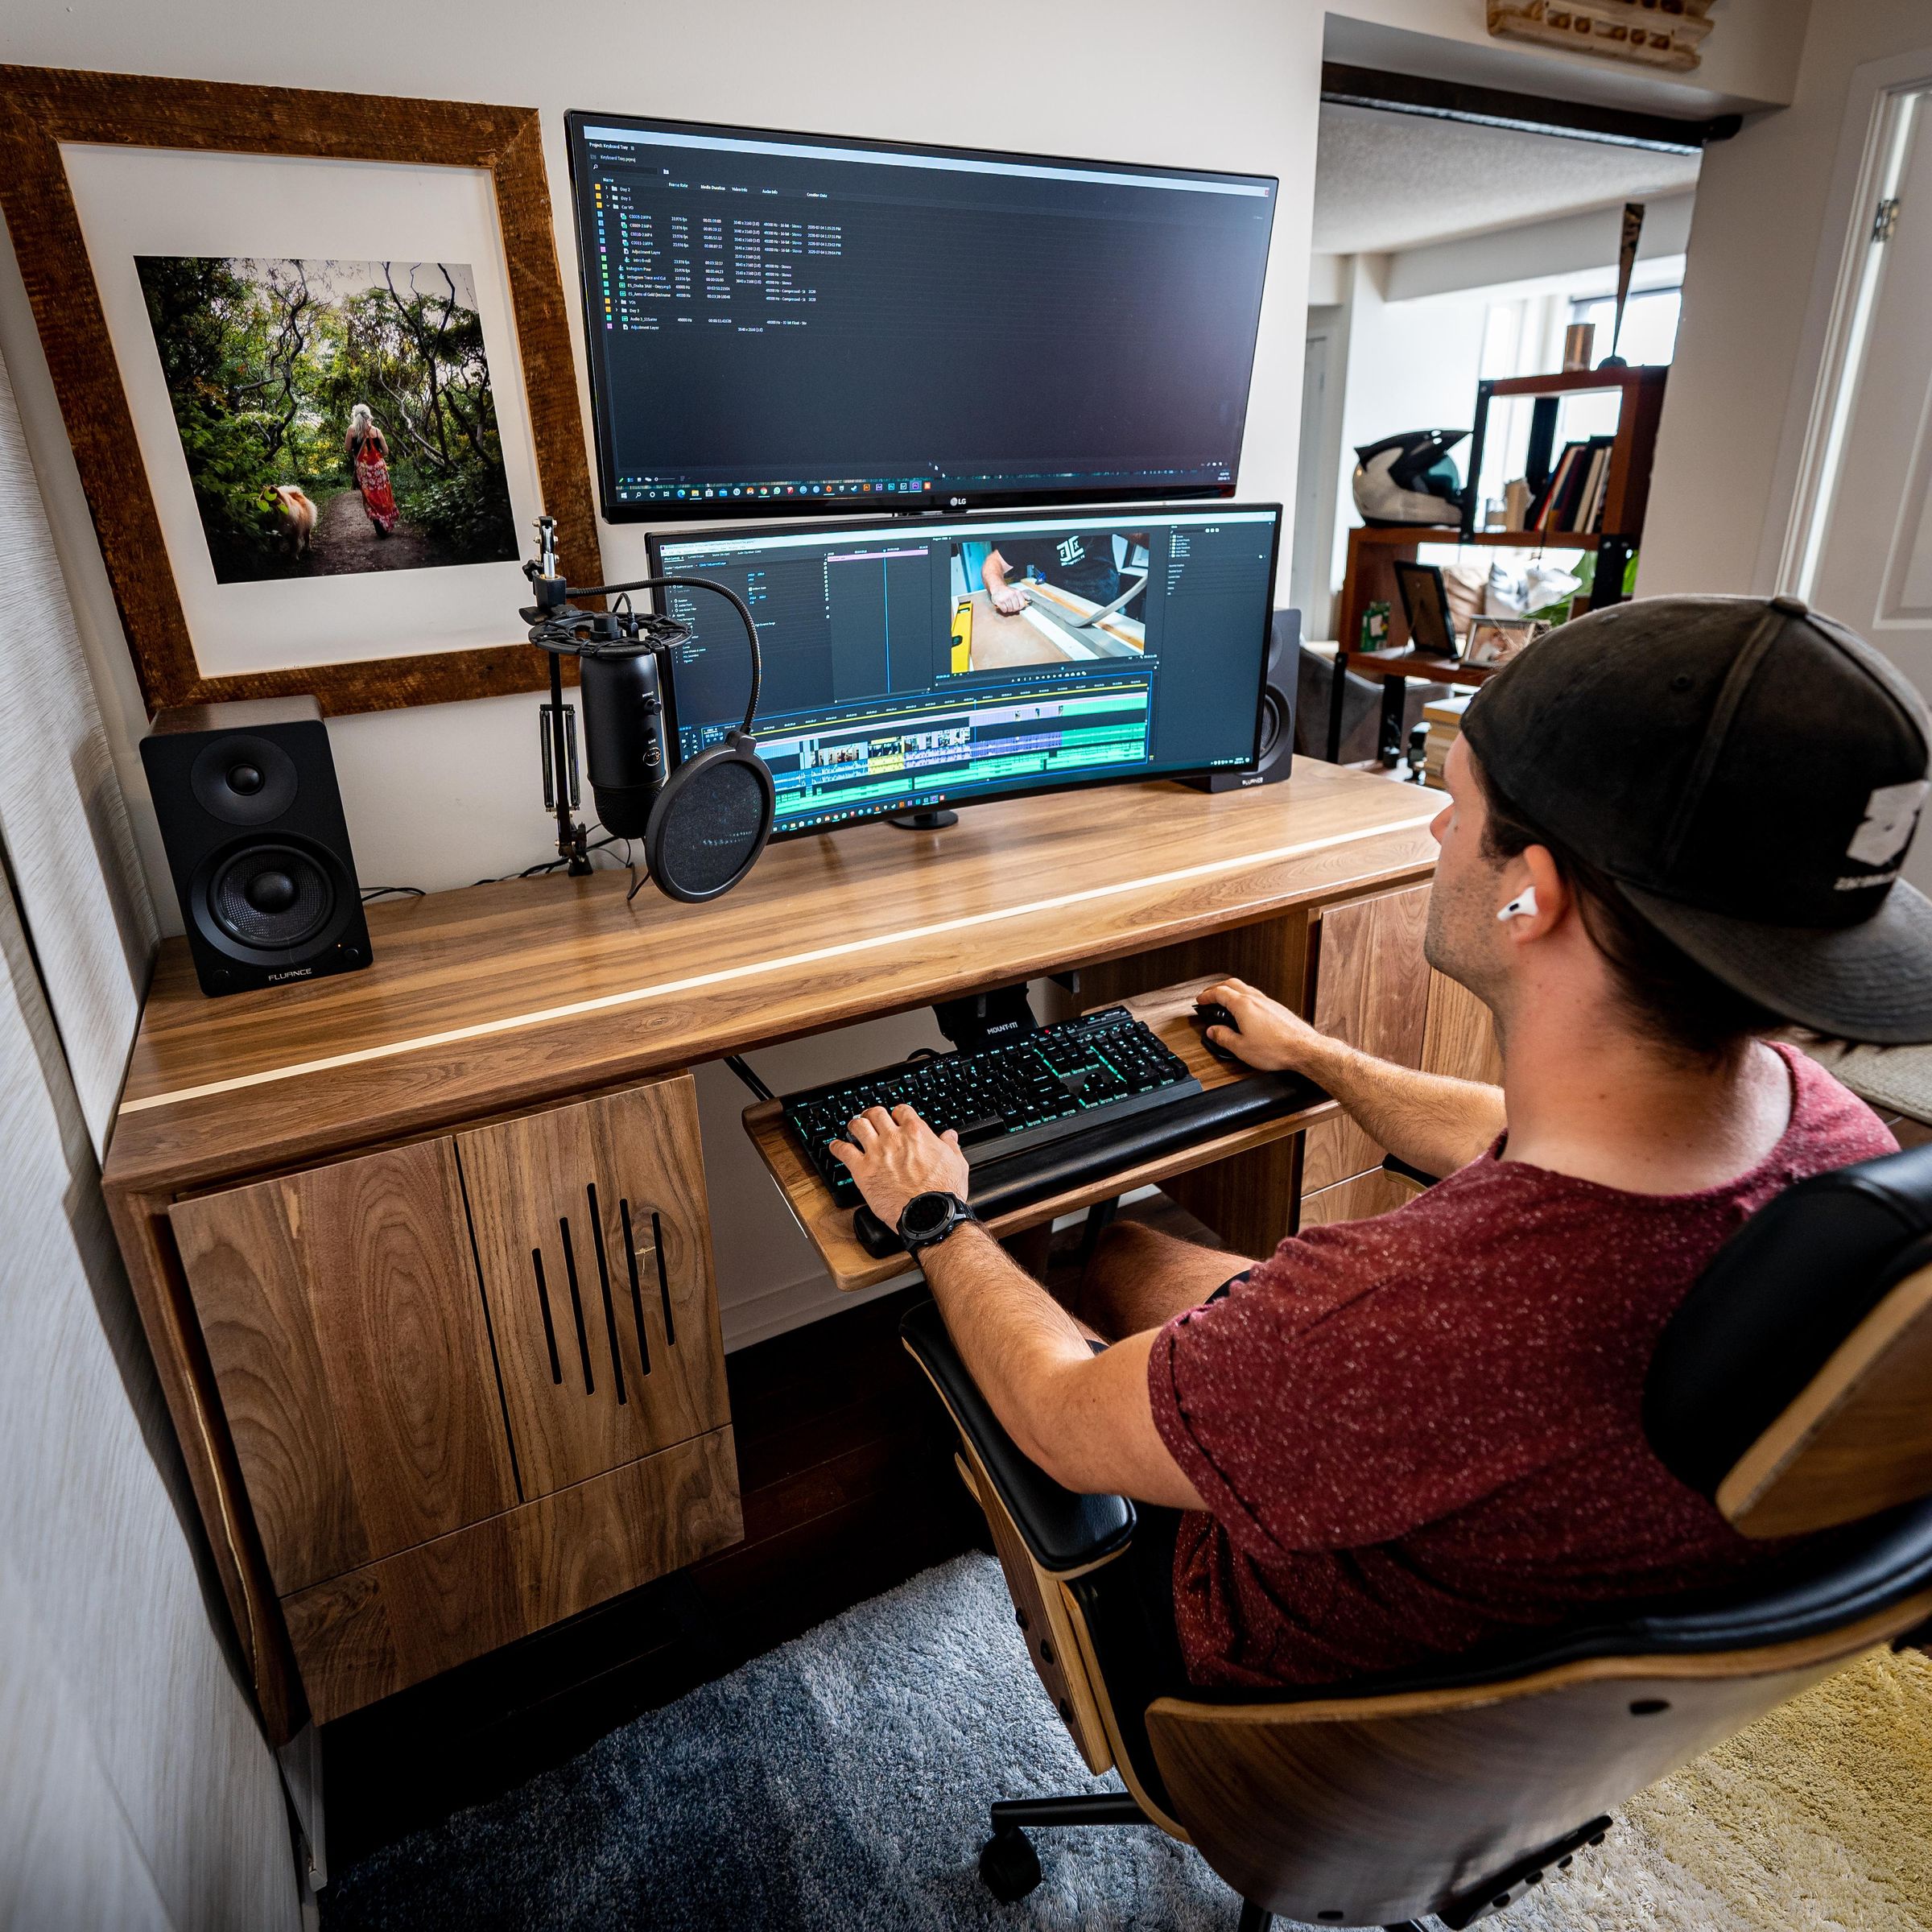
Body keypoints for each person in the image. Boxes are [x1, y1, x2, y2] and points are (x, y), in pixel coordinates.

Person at [831, 594, 1932, 1689]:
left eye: (1454, 803)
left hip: (1281, 1717)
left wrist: (936, 1211)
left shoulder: (1398, 1324)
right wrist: (1323, 1058)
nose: (1438, 832)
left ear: (1530, 898)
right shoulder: (1840, 1144)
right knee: (1131, 1250)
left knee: (1051, 1280)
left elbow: (1066, 1426)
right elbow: (1518, 1137)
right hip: (1545, 1666)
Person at [982, 531, 1146, 621]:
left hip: (1110, 609)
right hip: (1066, 614)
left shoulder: (1091, 504)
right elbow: (993, 561)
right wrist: (998, 588)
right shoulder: (1034, 534)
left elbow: (1140, 534)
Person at [344, 402, 398, 538]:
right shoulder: (377, 431)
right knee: (383, 494)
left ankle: (379, 526)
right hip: (379, 469)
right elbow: (385, 451)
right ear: (368, 415)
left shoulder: (351, 430)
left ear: (355, 416)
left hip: (363, 470)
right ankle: (387, 522)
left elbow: (347, 448)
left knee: (370, 497)